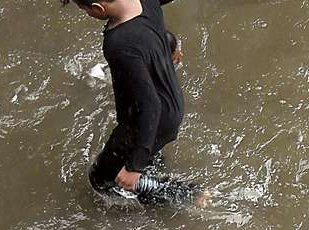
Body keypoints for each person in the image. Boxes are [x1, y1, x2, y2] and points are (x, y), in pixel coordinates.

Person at [62, 0, 206, 206]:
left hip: (149, 118)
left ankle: (187, 194)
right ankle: (149, 161)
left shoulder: (120, 44)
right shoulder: (146, 2)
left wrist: (134, 168)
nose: (85, 12)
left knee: (102, 180)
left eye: (83, 8)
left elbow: (150, 107)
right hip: (170, 101)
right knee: (145, 153)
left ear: (98, 8)